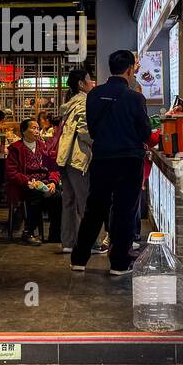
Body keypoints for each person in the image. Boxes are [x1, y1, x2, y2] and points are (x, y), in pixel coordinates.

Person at [70, 50, 152, 275]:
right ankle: (119, 263)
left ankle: (78, 259)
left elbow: (93, 129)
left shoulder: (94, 95)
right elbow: (145, 132)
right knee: (124, 210)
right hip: (129, 160)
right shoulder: (135, 97)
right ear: (129, 70)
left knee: (95, 209)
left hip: (102, 158)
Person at [56, 67, 104, 256]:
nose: (92, 83)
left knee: (68, 201)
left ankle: (68, 242)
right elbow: (86, 131)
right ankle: (91, 243)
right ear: (81, 84)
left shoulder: (70, 103)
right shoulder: (85, 103)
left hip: (65, 157)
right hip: (78, 157)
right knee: (87, 202)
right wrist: (100, 141)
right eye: (89, 79)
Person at [5, 118, 60, 244]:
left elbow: (53, 168)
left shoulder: (43, 146)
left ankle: (55, 234)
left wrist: (52, 182)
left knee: (58, 197)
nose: (37, 131)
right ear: (23, 131)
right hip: (25, 186)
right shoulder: (16, 148)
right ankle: (28, 232)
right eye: (33, 128)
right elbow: (12, 173)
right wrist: (29, 182)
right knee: (36, 195)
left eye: (37, 128)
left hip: (44, 183)